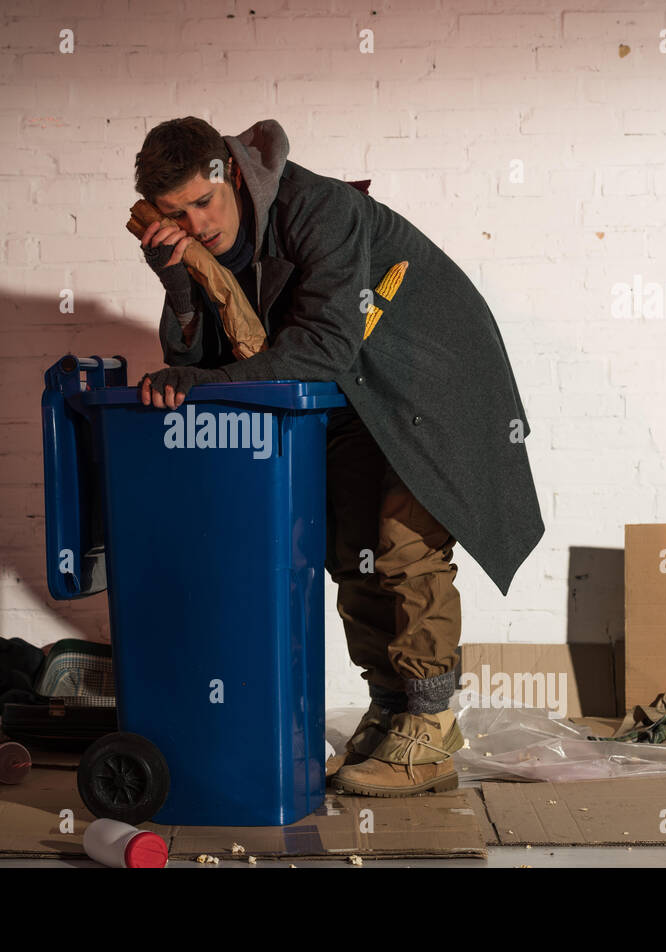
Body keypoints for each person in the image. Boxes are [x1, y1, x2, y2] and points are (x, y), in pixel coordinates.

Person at [132, 117, 544, 797]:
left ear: (230, 172)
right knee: (348, 548)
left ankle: (432, 725)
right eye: (176, 214)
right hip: (353, 390)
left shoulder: (319, 209)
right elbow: (210, 356)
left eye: (203, 202)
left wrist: (200, 385)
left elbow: (317, 346)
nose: (197, 224)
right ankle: (391, 712)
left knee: (402, 546)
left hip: (428, 376)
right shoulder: (207, 242)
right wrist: (178, 282)